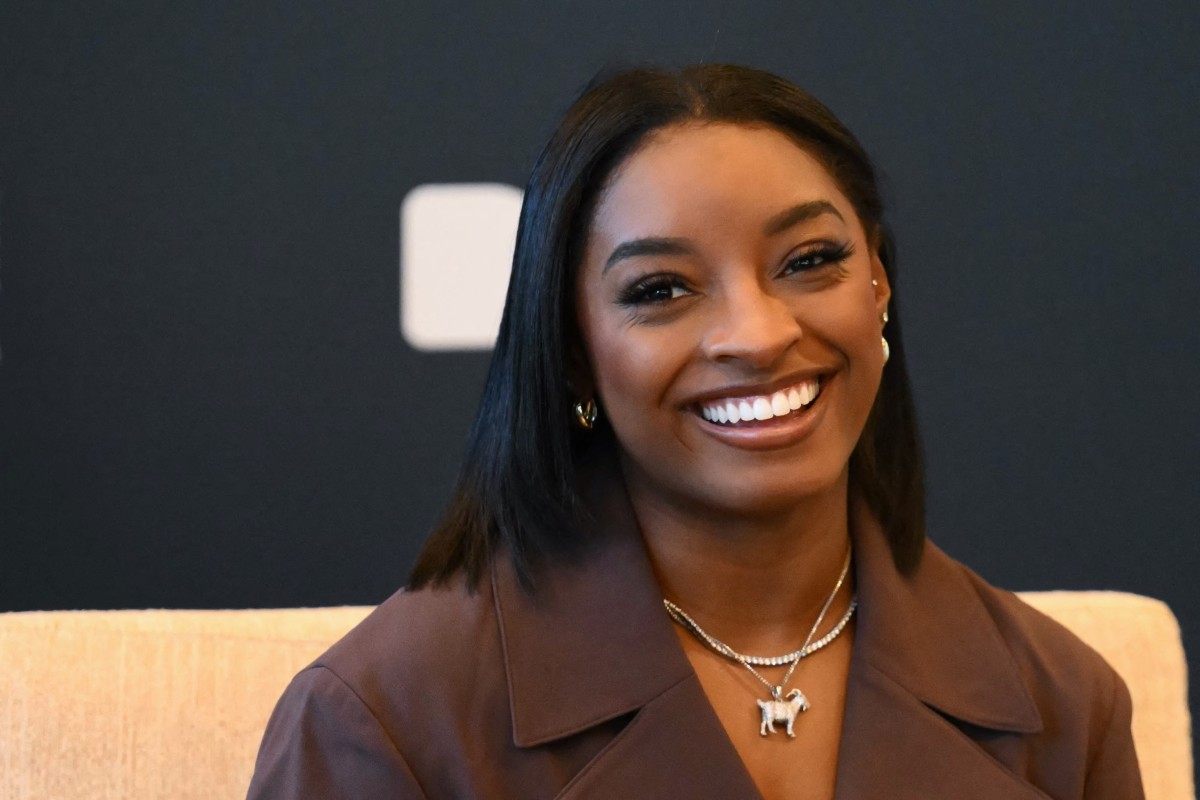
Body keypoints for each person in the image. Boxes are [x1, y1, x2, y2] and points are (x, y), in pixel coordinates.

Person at [246, 64, 1143, 799]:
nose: (756, 335)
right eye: (661, 290)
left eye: (810, 261)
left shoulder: (1066, 703)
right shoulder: (386, 719)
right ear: (571, 354)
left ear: (879, 284)